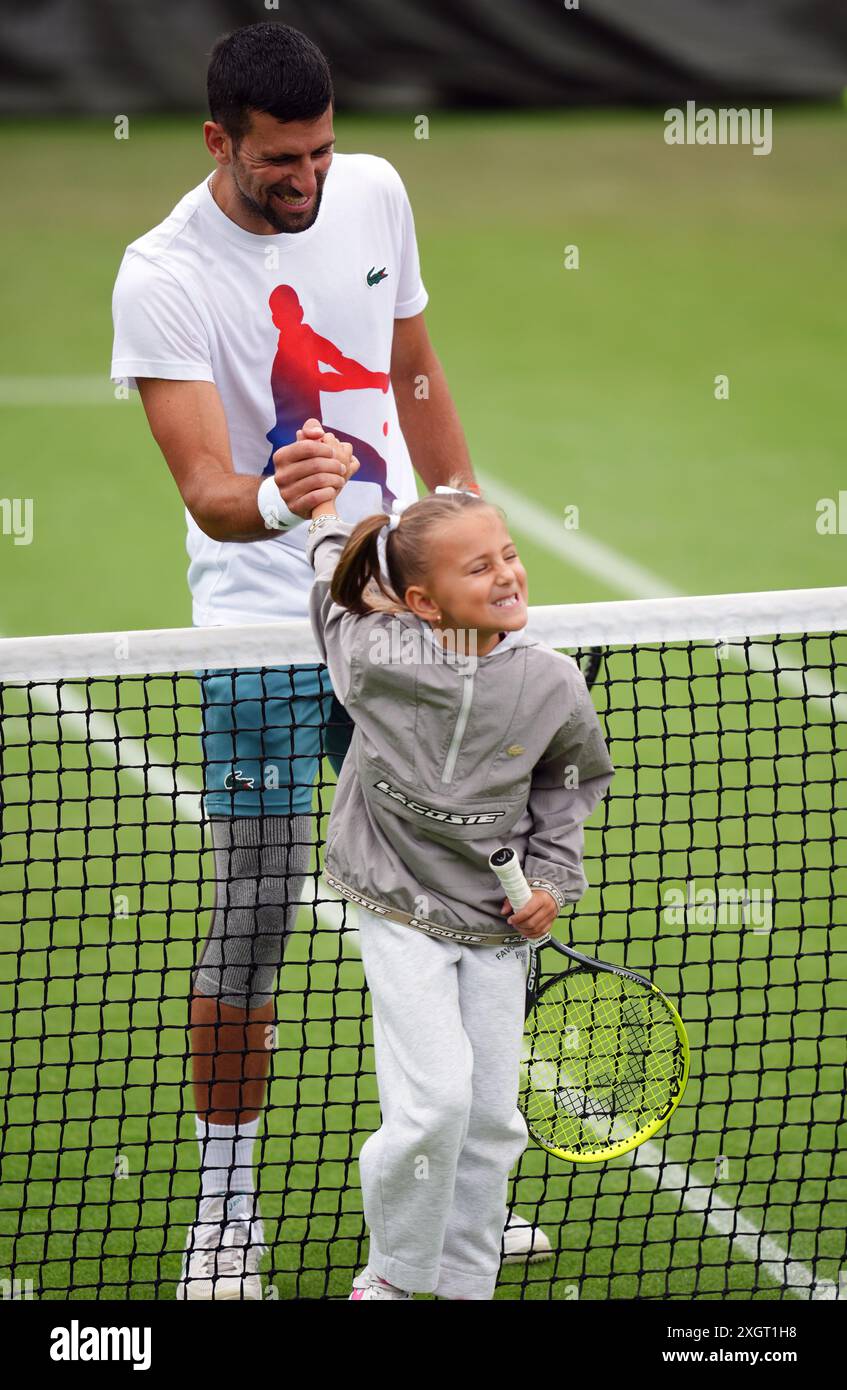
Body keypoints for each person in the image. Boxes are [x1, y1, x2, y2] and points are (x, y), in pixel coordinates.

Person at [109, 21, 545, 1298]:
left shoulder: (374, 190)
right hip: (258, 630)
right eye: (275, 164)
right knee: (254, 917)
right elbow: (204, 489)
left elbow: (408, 366)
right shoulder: (162, 272)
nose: (303, 182)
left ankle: (465, 1200)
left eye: (317, 153)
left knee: (466, 895)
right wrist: (275, 491)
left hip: (407, 613)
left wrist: (466, 523)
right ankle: (226, 1219)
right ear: (216, 144)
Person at [303, 462, 615, 1300]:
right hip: (398, 904)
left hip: (495, 925)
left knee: (489, 1117)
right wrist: (327, 513)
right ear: (423, 602)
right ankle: (395, 1279)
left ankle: (467, 1278)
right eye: (478, 568)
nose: (507, 574)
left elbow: (569, 780)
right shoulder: (375, 657)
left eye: (507, 555)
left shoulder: (552, 680)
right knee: (434, 1104)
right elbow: (334, 599)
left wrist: (551, 875)